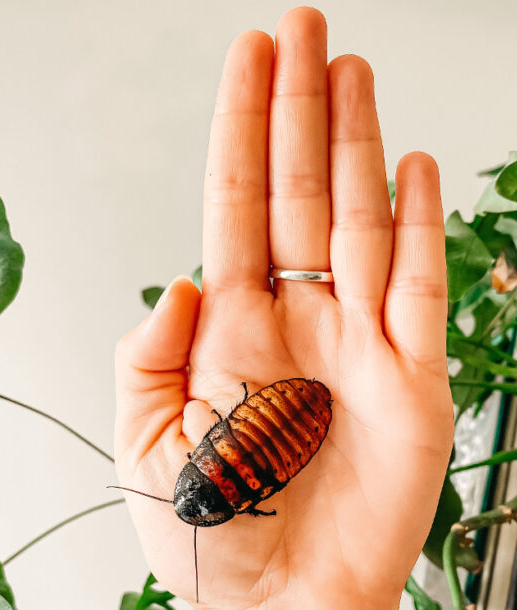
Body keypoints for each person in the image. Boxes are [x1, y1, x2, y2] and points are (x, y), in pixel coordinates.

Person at [113, 7, 453, 609]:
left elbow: (247, 461)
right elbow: (225, 439)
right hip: (265, 422)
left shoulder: (243, 493)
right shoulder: (208, 470)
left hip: (278, 435)